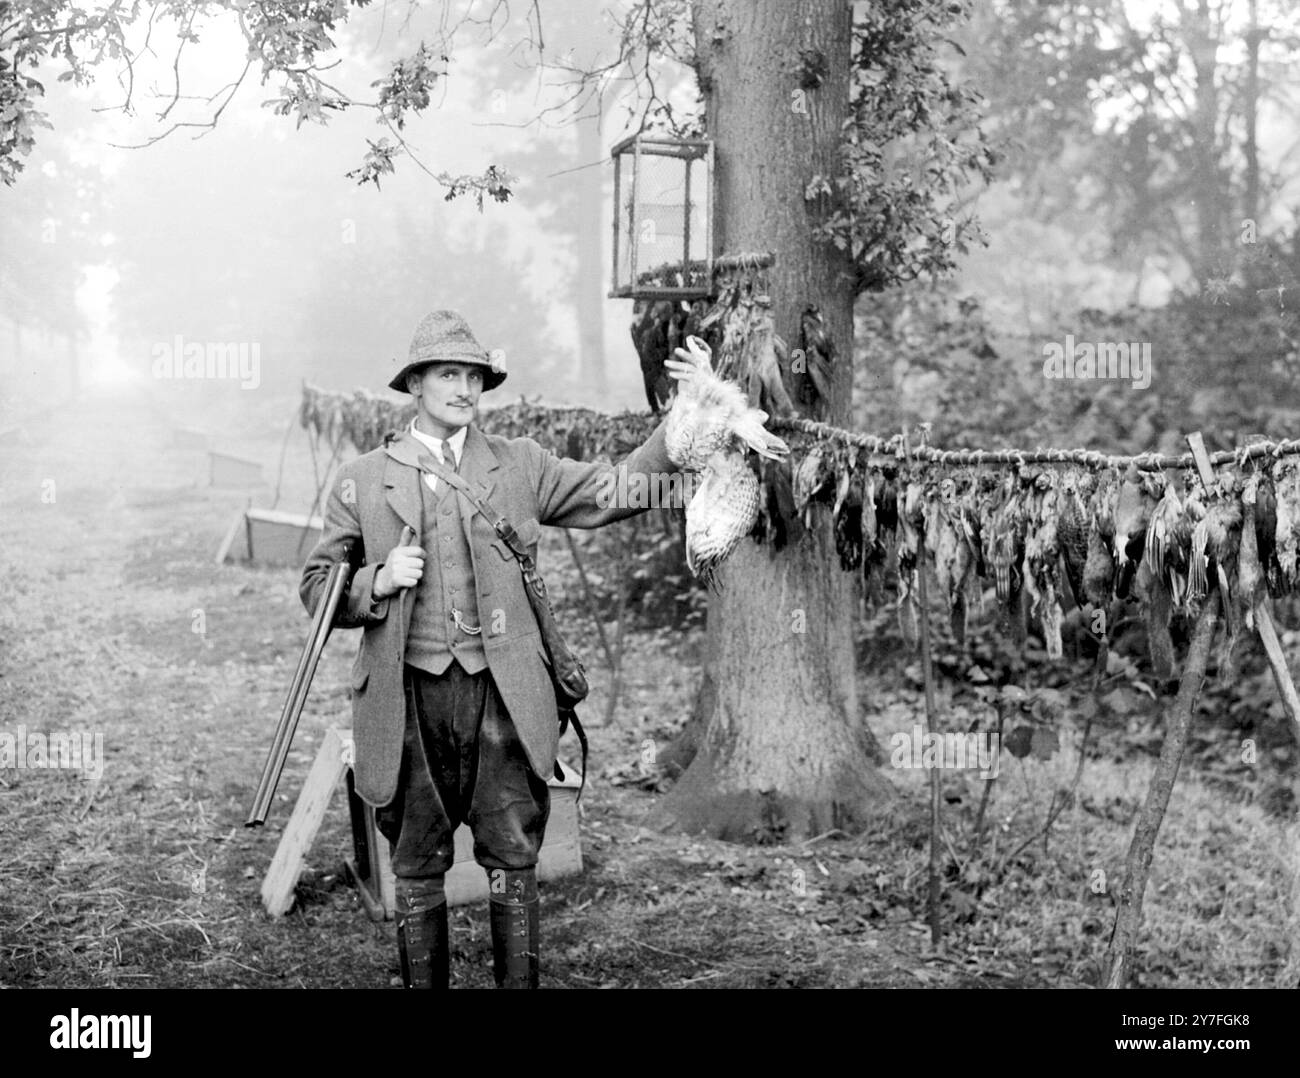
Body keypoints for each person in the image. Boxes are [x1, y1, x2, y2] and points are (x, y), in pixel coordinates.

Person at [299, 309, 676, 988]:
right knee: (416, 858)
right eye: (449, 374)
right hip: (407, 697)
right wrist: (375, 580)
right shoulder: (363, 479)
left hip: (502, 691)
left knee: (512, 850)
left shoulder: (519, 463)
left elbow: (612, 492)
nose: (464, 388)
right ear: (416, 383)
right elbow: (316, 587)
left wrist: (677, 435)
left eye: (474, 376)